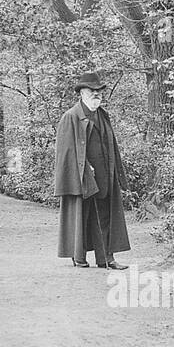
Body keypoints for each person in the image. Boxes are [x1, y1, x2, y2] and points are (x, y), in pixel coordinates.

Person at [53, 72, 130, 270]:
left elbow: (111, 145)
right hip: (82, 177)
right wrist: (85, 168)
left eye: (98, 91)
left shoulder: (102, 115)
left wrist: (116, 172)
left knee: (104, 215)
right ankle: (79, 257)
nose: (96, 94)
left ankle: (106, 258)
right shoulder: (70, 117)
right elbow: (66, 152)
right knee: (82, 215)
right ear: (81, 93)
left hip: (105, 175)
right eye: (91, 91)